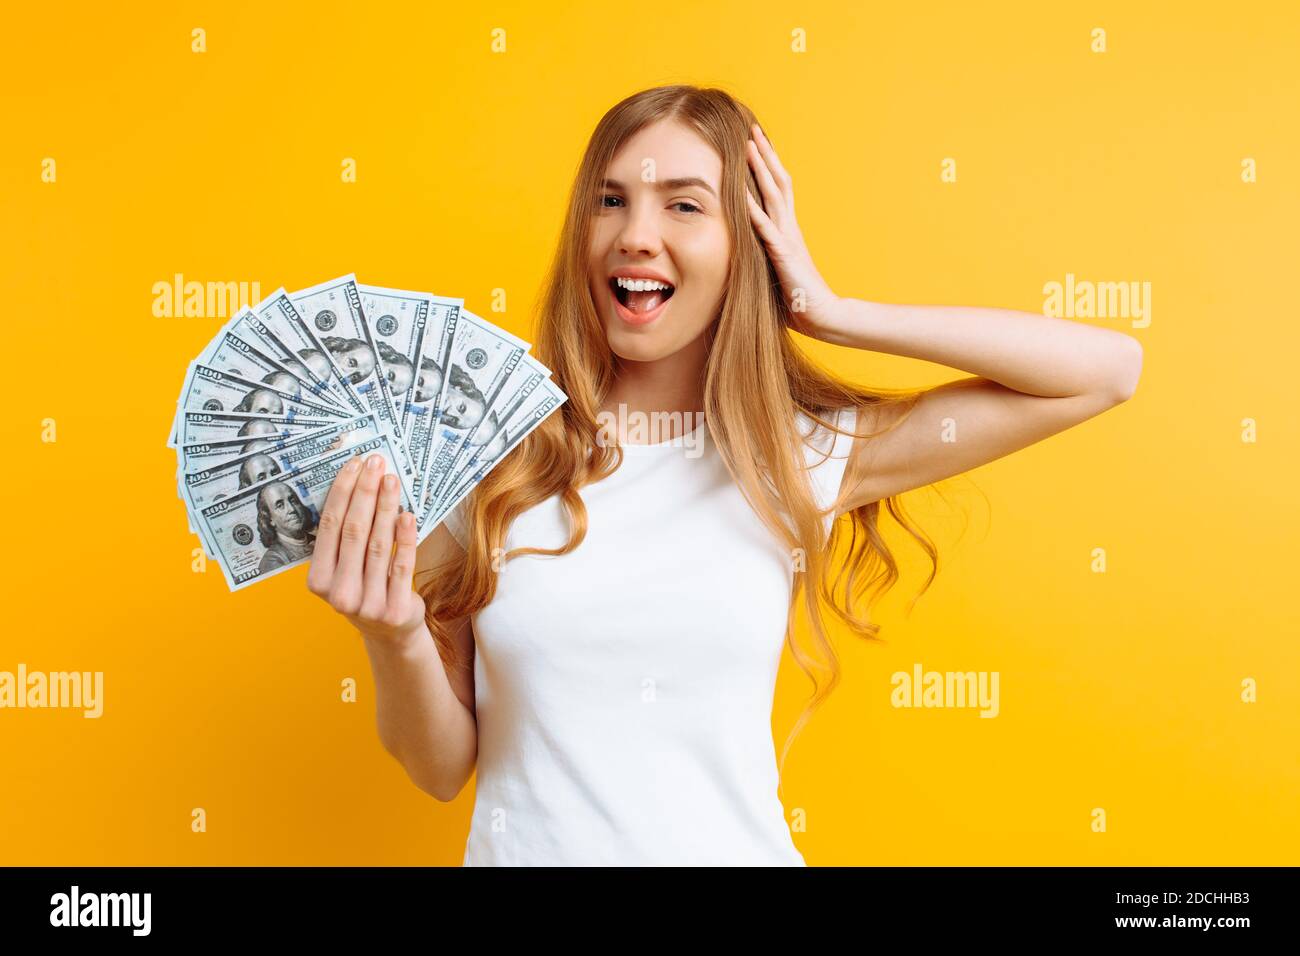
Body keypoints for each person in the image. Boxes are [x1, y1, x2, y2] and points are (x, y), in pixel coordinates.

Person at [304, 85, 1143, 866]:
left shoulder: (792, 457)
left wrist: (832, 311)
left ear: (748, 241)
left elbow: (1105, 370)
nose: (636, 232)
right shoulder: (485, 458)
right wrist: (395, 636)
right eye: (611, 199)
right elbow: (442, 768)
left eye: (683, 204)